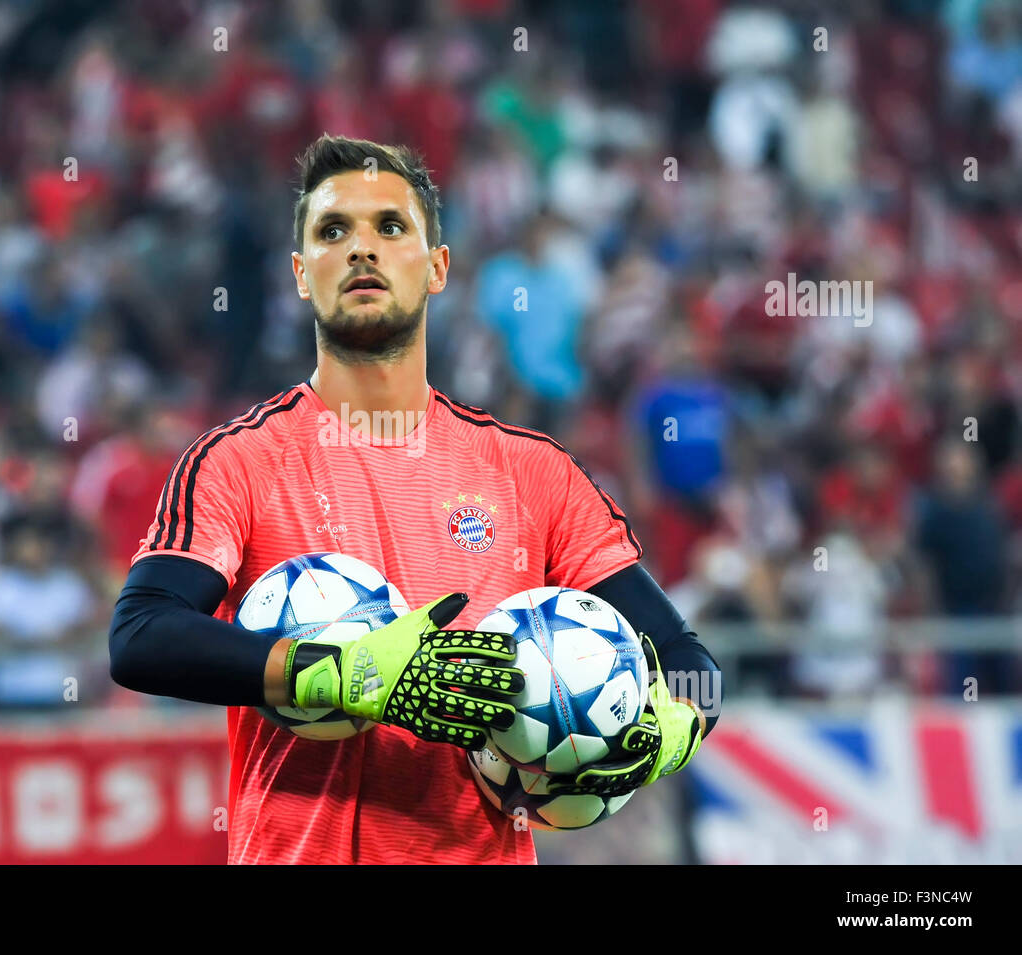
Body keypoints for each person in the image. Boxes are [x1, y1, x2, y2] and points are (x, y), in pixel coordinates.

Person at [109, 135, 722, 864]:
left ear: (437, 268)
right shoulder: (237, 462)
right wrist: (327, 672)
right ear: (303, 276)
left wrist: (676, 725)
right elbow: (141, 635)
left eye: (390, 227)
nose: (361, 249)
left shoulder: (537, 474)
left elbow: (684, 656)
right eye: (333, 231)